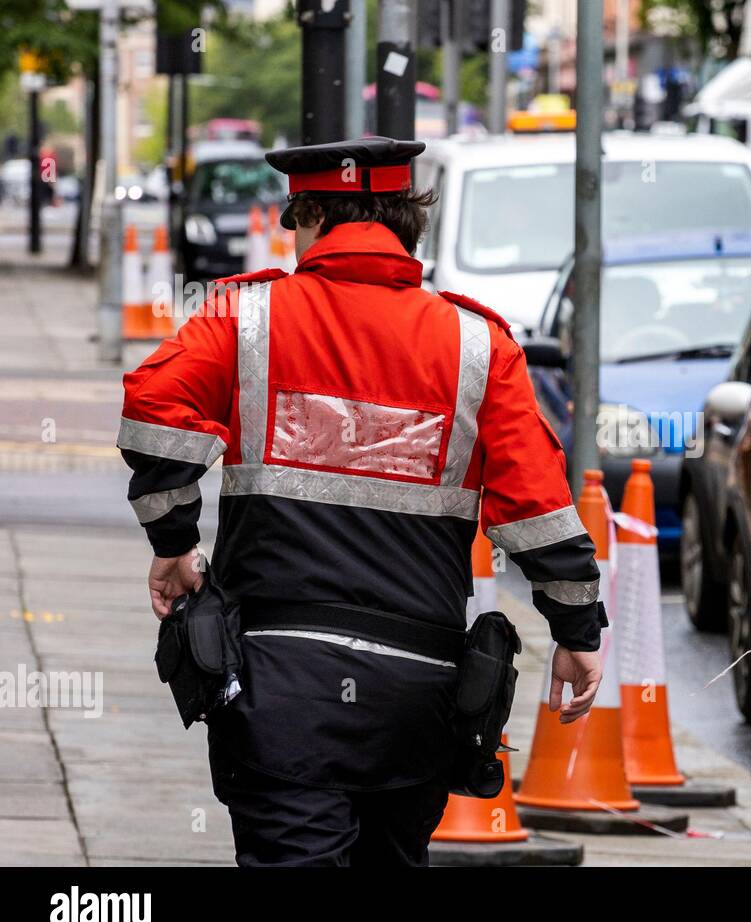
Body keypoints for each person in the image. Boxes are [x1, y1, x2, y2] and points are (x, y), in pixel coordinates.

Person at [117, 136, 605, 867]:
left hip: (278, 690)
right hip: (419, 697)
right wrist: (577, 630)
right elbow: (536, 505)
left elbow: (154, 411)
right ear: (411, 220)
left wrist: (176, 547)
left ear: (311, 216)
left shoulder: (247, 318)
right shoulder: (480, 346)